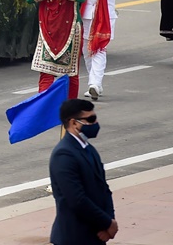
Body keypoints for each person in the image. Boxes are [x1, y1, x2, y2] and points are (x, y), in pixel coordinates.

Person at [49, 98, 117, 245]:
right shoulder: (63, 154)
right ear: (73, 122)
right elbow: (76, 200)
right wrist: (107, 223)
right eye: (90, 119)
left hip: (96, 234)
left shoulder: (88, 149)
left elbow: (104, 189)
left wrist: (109, 221)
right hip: (74, 236)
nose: (95, 123)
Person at [28, 0, 88, 99]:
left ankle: (70, 110)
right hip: (48, 30)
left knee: (70, 73)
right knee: (46, 73)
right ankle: (43, 109)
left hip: (70, 30)